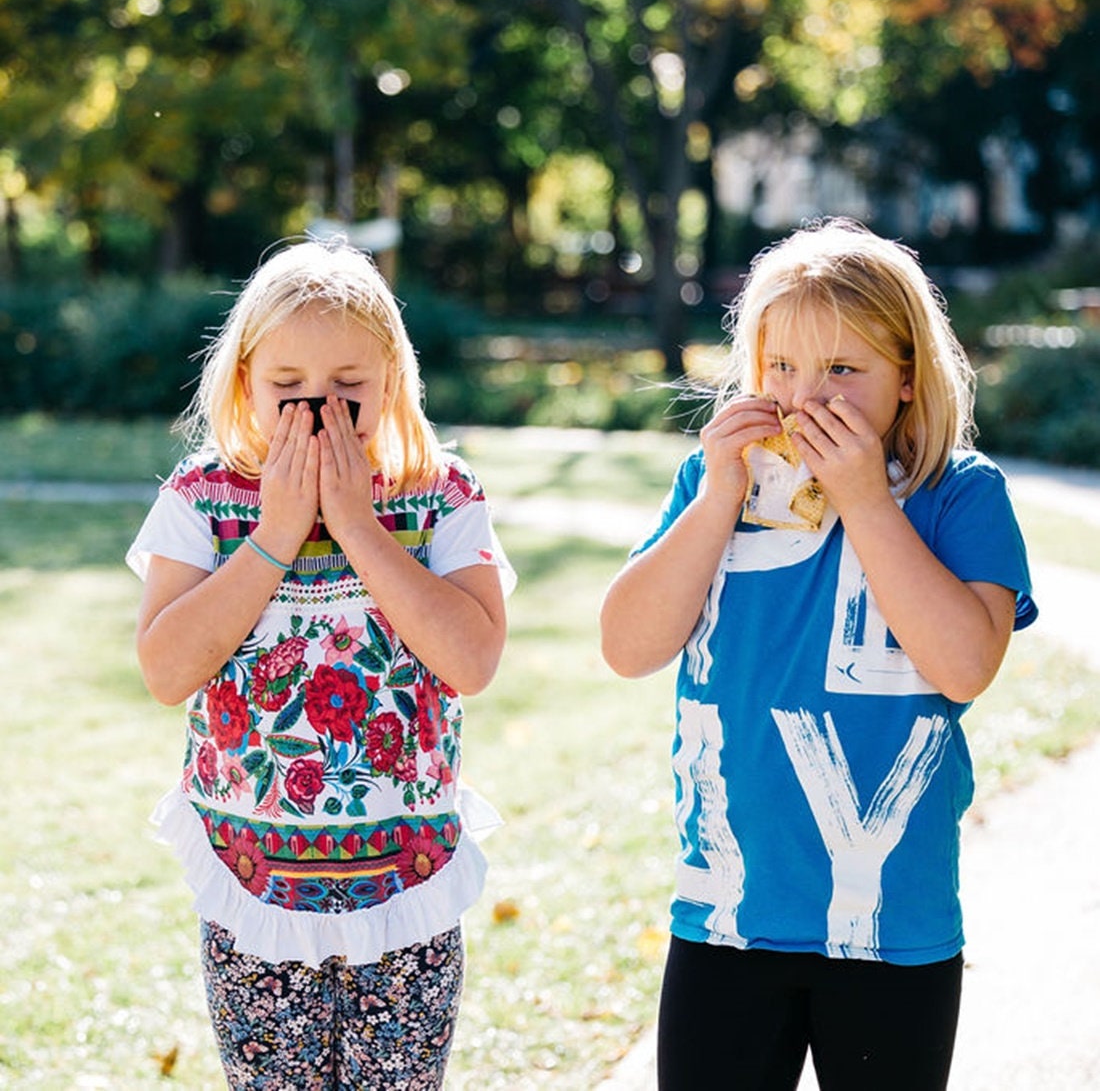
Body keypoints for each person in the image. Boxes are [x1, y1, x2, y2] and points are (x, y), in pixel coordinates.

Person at [600, 217, 1037, 1091]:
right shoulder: (712, 489)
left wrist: (866, 500)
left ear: (908, 379)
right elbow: (626, 646)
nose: (807, 396)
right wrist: (718, 494)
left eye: (844, 369)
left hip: (889, 923)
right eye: (782, 368)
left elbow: (964, 667)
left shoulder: (961, 495)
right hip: (726, 909)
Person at [127, 238, 513, 1089]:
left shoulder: (441, 495)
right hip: (253, 876)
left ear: (392, 382)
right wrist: (273, 534)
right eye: (289, 391)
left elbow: (473, 659)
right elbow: (165, 670)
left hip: (404, 878)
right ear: (244, 386)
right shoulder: (201, 500)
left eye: (349, 390)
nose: (317, 413)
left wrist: (358, 525)